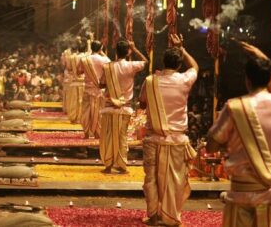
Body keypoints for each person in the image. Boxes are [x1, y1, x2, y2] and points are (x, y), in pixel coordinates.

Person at [206, 41, 271, 227]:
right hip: (269, 194)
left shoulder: (234, 107)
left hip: (241, 194)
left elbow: (211, 145)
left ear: (247, 80)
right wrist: (263, 57)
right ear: (269, 77)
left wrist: (227, 144)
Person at [139, 34, 199, 226]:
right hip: (177, 140)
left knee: (151, 179)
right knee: (175, 180)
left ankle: (153, 216)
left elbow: (141, 104)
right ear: (179, 65)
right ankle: (171, 216)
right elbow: (195, 67)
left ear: (162, 62)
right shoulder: (184, 80)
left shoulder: (150, 81)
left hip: (153, 139)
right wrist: (182, 48)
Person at [100, 40, 147, 174]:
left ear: (116, 52)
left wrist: (110, 85)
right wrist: (135, 48)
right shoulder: (131, 66)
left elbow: (101, 84)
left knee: (108, 137)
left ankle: (108, 165)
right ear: (128, 52)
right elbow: (146, 61)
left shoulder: (107, 67)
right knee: (122, 138)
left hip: (109, 108)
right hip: (124, 109)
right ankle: (121, 165)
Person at [76, 40, 110, 139]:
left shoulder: (84, 59)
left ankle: (86, 133)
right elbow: (111, 66)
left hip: (88, 88)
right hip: (100, 90)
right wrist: (102, 53)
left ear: (91, 48)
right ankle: (97, 133)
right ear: (101, 49)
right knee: (99, 112)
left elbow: (78, 72)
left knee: (86, 111)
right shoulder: (104, 60)